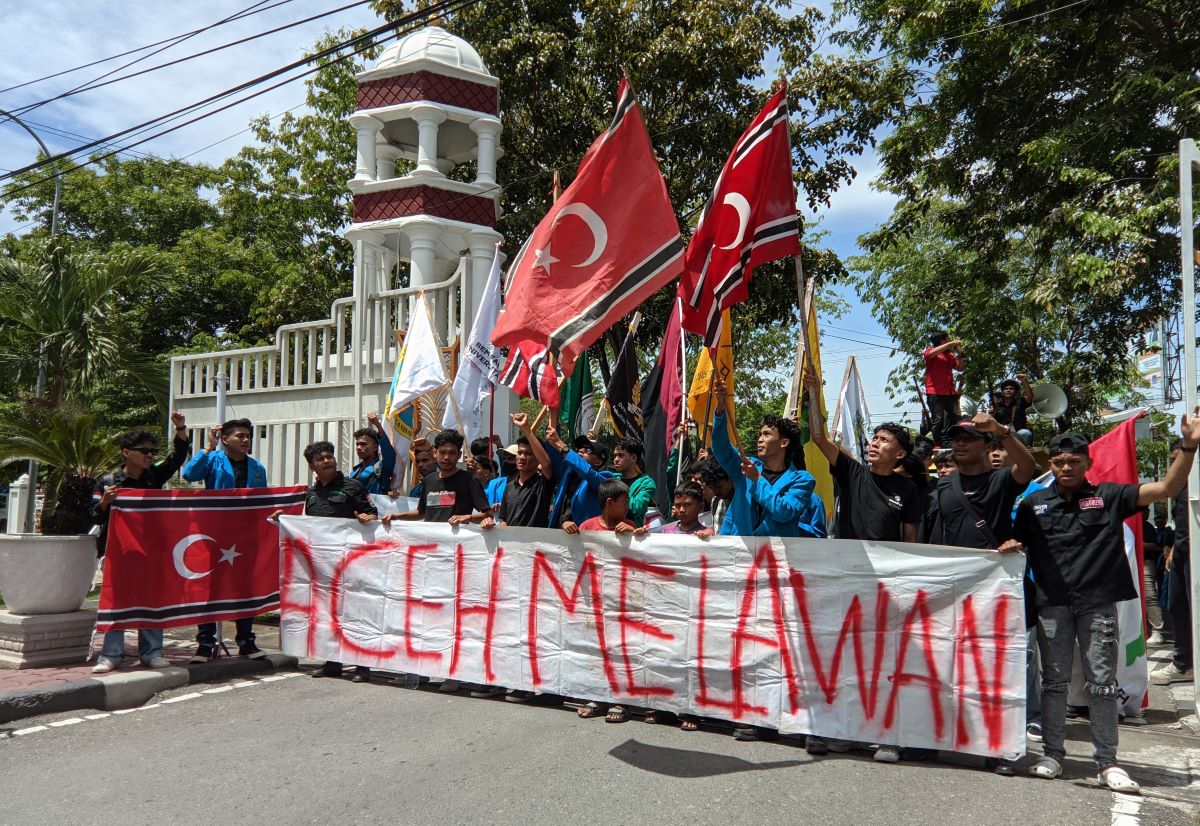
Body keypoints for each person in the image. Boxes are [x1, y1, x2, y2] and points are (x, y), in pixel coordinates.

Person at [1012, 418, 1200, 793]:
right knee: (1053, 684)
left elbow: (1167, 487)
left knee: (1102, 685)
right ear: (1050, 464)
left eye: (1073, 462)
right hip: (1052, 608)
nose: (1065, 468)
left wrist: (1190, 445)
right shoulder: (1033, 505)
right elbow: (1015, 547)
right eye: (1058, 462)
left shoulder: (1111, 496)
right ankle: (1052, 753)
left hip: (1098, 606)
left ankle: (1107, 763)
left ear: (1088, 463)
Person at [805, 369, 921, 759]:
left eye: (884, 440)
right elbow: (819, 438)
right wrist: (811, 394)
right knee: (845, 658)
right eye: (874, 438)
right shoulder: (852, 472)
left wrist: (906, 586)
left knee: (885, 661)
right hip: (847, 583)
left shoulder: (909, 490)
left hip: (887, 588)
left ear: (900, 454)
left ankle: (887, 734)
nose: (874, 443)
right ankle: (843, 730)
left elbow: (911, 543)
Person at [382, 428, 494, 693]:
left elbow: (487, 512)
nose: (446, 457)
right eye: (442, 452)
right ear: (435, 453)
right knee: (426, 616)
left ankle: (453, 673)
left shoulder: (468, 480)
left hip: (456, 562)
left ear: (458, 455)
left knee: (452, 618)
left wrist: (467, 518)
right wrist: (395, 517)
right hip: (428, 560)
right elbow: (422, 512)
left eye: (452, 453)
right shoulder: (429, 481)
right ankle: (422, 670)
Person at [89, 413, 192, 673]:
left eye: (152, 451)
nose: (149, 456)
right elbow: (91, 515)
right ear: (126, 452)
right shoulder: (107, 482)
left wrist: (180, 428)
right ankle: (111, 655)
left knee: (153, 599)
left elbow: (177, 458)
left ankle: (152, 652)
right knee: (116, 600)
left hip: (153, 550)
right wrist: (104, 503)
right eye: (143, 451)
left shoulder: (153, 477)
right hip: (117, 551)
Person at [181, 418, 269, 662]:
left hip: (245, 537)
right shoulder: (213, 460)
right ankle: (205, 644)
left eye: (247, 436)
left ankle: (246, 641)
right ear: (225, 439)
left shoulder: (258, 467)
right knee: (210, 589)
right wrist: (208, 447)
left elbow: (263, 501)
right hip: (216, 535)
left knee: (245, 589)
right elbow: (189, 474)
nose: (245, 440)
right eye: (239, 436)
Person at [291, 441, 378, 683]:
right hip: (322, 567)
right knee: (327, 615)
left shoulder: (353, 486)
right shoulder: (311, 494)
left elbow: (373, 514)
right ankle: (332, 662)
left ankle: (362, 665)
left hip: (351, 564)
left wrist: (367, 516)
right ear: (312, 466)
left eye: (330, 457)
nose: (327, 461)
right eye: (321, 459)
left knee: (355, 614)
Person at [566, 479, 647, 724]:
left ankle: (620, 700)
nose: (628, 507)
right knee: (595, 650)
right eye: (625, 502)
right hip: (593, 602)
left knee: (620, 650)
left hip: (621, 602)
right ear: (610, 503)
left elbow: (643, 554)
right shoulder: (587, 527)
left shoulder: (629, 525)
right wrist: (567, 527)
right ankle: (595, 696)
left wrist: (634, 534)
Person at [710, 379, 820, 538]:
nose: (760, 439)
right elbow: (721, 447)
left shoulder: (802, 480)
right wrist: (720, 408)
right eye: (760, 434)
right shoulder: (747, 466)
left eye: (767, 434)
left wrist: (757, 479)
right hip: (738, 553)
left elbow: (784, 512)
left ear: (783, 442)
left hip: (773, 558)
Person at [1151, 440, 1194, 686]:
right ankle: (1183, 662)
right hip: (1181, 553)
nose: (1176, 464)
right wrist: (1175, 548)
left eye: (1181, 457)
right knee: (1176, 606)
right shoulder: (1180, 487)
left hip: (1194, 555)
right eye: (1173, 460)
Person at [548, 431, 613, 529]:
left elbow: (587, 472)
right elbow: (553, 452)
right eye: (579, 448)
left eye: (587, 450)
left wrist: (562, 445)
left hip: (582, 537)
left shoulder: (604, 480)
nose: (581, 451)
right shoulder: (567, 474)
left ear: (598, 461)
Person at [923, 332, 962, 448]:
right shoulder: (930, 351)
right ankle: (938, 444)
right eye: (947, 339)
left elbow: (960, 368)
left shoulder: (949, 355)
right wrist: (951, 343)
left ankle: (959, 440)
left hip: (949, 392)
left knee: (956, 418)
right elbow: (931, 354)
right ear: (942, 340)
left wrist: (962, 355)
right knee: (938, 420)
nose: (949, 340)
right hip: (934, 392)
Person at [612, 437, 657, 526]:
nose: (616, 459)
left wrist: (615, 489)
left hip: (632, 536)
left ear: (633, 458)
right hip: (607, 533)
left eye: (621, 455)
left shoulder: (647, 483)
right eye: (615, 455)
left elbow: (635, 509)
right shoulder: (612, 478)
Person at [349, 413, 397, 495]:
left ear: (375, 447)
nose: (359, 447)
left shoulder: (381, 468)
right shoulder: (354, 472)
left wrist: (378, 426)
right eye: (357, 444)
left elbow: (390, 454)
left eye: (363, 444)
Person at [990, 376, 1034, 445]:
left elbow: (1030, 398)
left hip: (1018, 434)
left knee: (1026, 433)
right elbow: (991, 421)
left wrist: (1025, 381)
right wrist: (991, 413)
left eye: (1011, 389)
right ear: (1003, 392)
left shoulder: (1021, 401)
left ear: (1015, 392)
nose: (1008, 390)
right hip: (1002, 435)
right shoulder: (997, 406)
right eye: (1006, 389)